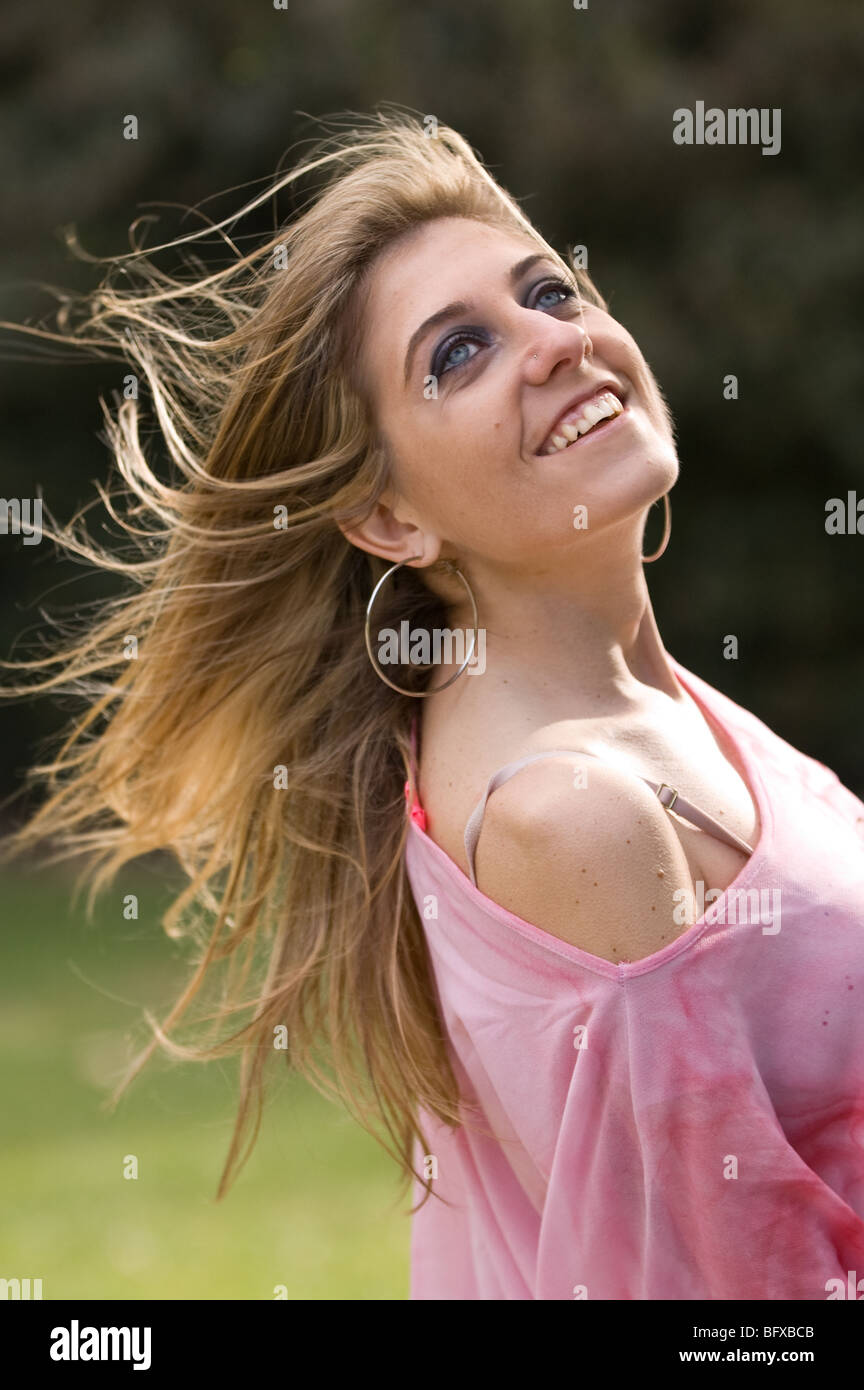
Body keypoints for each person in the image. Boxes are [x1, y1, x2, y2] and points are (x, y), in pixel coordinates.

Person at [2, 109, 863, 1301]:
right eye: (457, 354)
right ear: (391, 520)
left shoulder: (625, 701)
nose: (554, 344)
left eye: (549, 294)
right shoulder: (575, 814)